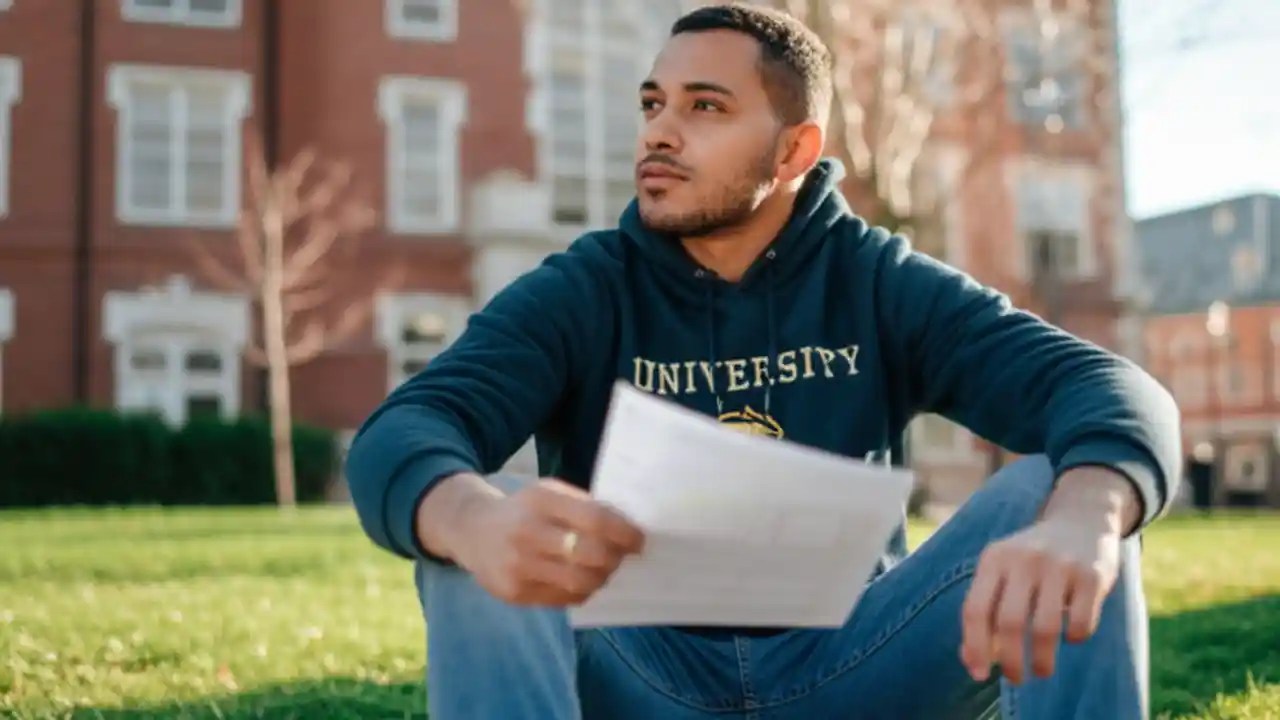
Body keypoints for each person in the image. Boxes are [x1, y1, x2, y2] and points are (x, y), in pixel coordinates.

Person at [345, 4, 1180, 719]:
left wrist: (1086, 520)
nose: (660, 131)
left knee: (1062, 492)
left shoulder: (875, 277)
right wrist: (472, 519)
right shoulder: (586, 287)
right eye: (652, 103)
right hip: (643, 677)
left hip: (861, 664)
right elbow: (410, 426)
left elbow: (1109, 390)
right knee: (482, 533)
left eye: (706, 107)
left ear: (792, 152)